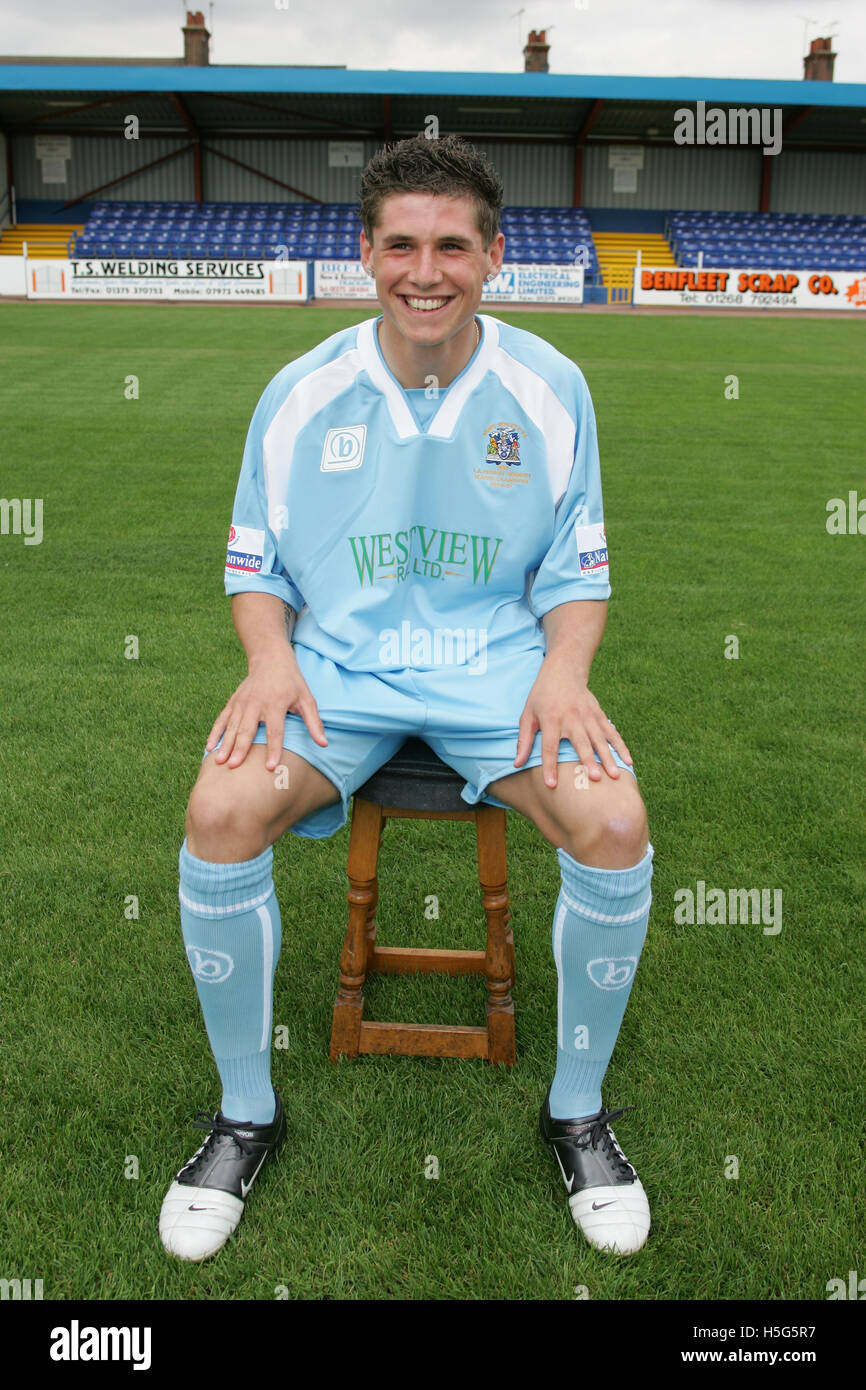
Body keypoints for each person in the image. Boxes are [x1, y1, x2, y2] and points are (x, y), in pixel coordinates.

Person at [159, 134, 654, 1264]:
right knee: (220, 811)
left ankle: (575, 1112)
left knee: (615, 822)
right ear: (364, 253)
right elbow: (255, 563)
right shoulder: (300, 391)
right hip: (336, 670)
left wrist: (563, 671)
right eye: (399, 246)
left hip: (496, 670)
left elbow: (576, 570)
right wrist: (268, 660)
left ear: (490, 255)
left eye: (448, 246)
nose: (422, 271)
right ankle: (244, 1115)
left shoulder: (546, 386)